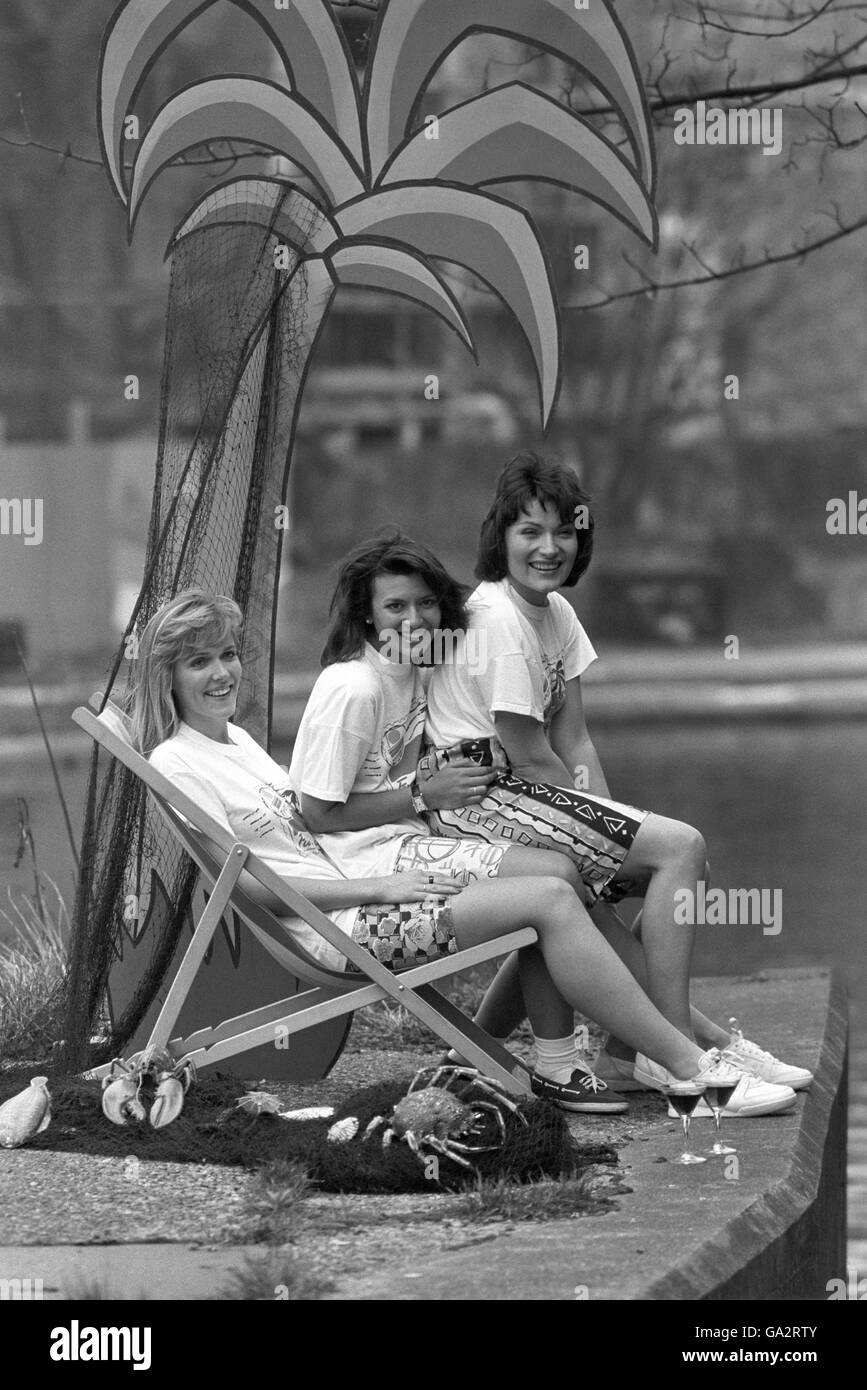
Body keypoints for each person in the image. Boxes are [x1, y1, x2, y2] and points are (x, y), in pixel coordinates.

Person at [130, 587, 785, 1112]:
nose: (221, 673)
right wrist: (378, 888)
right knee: (551, 900)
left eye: (226, 655)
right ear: (170, 677)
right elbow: (242, 887)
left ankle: (613, 1056)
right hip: (346, 928)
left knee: (560, 876)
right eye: (199, 662)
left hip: (369, 892)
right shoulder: (177, 762)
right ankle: (692, 1070)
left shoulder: (234, 742)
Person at [287, 535, 804, 1117]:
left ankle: (606, 1053)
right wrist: (419, 794)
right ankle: (677, 1059)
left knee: (569, 878)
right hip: (371, 860)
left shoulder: (416, 669)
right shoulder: (352, 688)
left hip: (412, 836)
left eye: (426, 604)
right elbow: (317, 814)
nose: (415, 618)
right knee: (557, 882)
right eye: (396, 607)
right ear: (367, 615)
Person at [422, 454, 813, 1105]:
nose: (548, 548)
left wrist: (612, 823)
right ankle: (682, 1051)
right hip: (476, 804)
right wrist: (607, 846)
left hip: (529, 797)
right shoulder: (496, 620)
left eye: (563, 533)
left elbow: (573, 737)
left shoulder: (555, 616)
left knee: (673, 869)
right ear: (501, 536)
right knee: (678, 848)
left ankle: (624, 1044)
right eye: (529, 532)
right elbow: (527, 750)